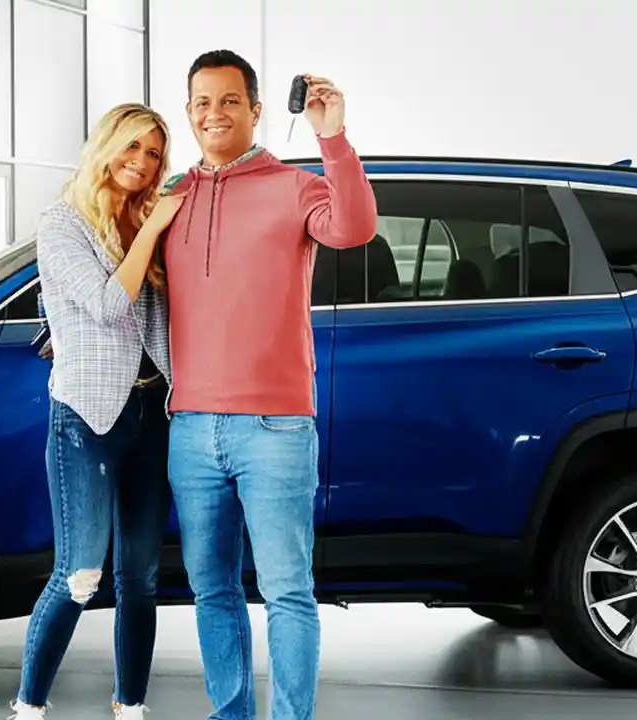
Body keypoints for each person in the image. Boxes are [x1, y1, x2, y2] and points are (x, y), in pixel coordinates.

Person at [160, 50, 378, 720]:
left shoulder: (293, 186)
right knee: (211, 590)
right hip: (190, 427)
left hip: (275, 427)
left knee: (287, 592)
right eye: (201, 101)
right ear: (189, 110)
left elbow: (355, 226)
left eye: (229, 101)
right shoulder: (171, 196)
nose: (213, 113)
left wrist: (331, 134)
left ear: (256, 110)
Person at [8, 103, 187, 720]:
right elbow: (110, 305)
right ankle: (29, 708)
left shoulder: (150, 221)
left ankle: (129, 706)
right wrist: (156, 226)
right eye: (132, 147)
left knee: (139, 578)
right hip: (85, 415)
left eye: (155, 154)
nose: (141, 163)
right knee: (80, 574)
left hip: (152, 413)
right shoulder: (62, 223)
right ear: (106, 146)